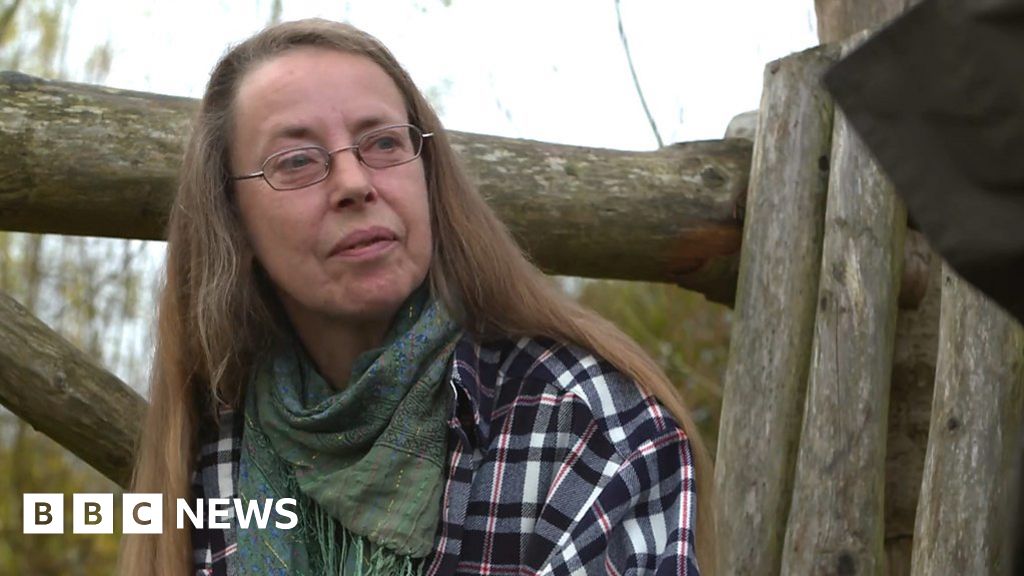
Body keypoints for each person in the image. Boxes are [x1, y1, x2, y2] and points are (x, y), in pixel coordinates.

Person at [118, 18, 713, 576]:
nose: (354, 183)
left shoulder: (582, 423)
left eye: (382, 143)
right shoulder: (215, 441)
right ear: (235, 220)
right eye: (296, 160)